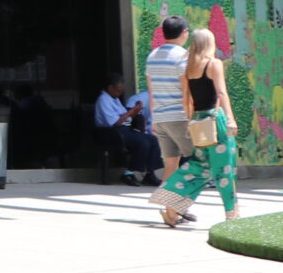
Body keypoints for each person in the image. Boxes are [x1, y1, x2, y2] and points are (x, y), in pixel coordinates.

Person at [153, 24, 241, 226]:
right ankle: (231, 213)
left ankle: (171, 202)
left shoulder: (188, 67)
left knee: (198, 167)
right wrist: (230, 118)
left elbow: (187, 100)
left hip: (197, 122)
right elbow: (221, 93)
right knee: (224, 168)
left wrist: (190, 121)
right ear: (209, 43)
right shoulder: (214, 64)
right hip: (214, 120)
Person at [143, 16, 198, 224]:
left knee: (170, 165)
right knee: (197, 162)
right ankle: (179, 207)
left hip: (162, 118)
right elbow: (187, 91)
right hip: (180, 117)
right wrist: (192, 116)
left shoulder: (152, 56)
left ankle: (171, 211)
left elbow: (151, 90)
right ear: (184, 32)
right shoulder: (183, 57)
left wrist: (154, 119)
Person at [93, 76, 163, 186]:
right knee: (142, 142)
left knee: (153, 140)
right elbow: (115, 122)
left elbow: (126, 117)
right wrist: (131, 112)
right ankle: (128, 173)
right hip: (110, 132)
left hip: (123, 129)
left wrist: (135, 111)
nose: (120, 93)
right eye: (118, 90)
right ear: (110, 88)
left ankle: (150, 174)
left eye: (122, 91)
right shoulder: (103, 99)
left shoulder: (115, 99)